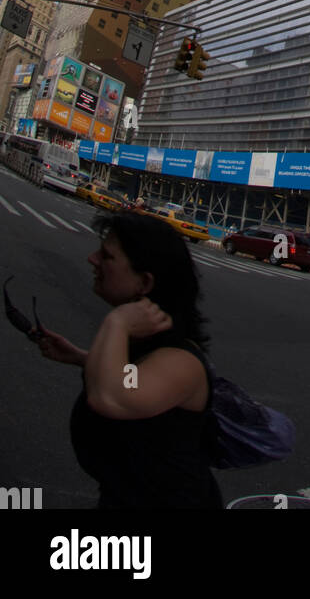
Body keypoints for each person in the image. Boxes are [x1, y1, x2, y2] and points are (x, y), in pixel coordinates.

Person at [36, 211, 222, 509]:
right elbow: (134, 378)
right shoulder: (147, 344)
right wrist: (83, 358)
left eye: (107, 257)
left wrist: (117, 322)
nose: (92, 260)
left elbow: (111, 397)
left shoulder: (181, 362)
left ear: (144, 283)